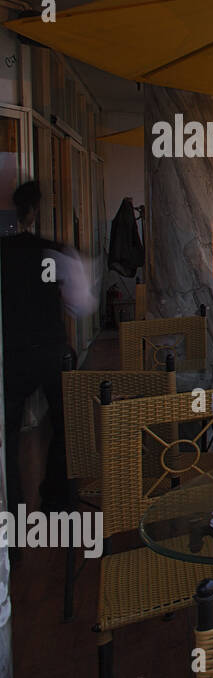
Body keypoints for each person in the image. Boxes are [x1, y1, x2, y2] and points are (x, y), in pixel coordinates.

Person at [2, 181, 95, 511]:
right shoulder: (54, 252)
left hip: (9, 354)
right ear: (34, 211)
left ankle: (11, 510)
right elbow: (81, 305)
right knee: (67, 425)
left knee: (7, 436)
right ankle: (55, 499)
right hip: (50, 349)